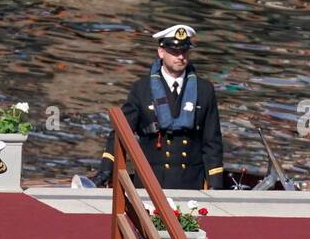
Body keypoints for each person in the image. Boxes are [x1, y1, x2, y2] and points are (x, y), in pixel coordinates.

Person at [89, 24, 225, 191]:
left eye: (184, 51)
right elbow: (120, 133)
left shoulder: (204, 90)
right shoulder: (142, 89)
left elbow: (212, 142)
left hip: (190, 183)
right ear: (161, 52)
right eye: (174, 51)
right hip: (150, 182)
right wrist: (105, 171)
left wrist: (215, 185)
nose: (180, 57)